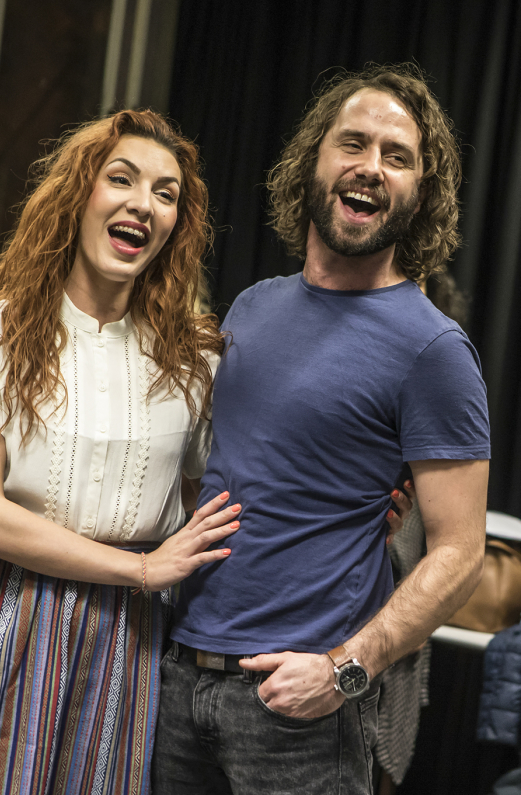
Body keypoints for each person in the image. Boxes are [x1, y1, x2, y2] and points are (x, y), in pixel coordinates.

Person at [152, 63, 491, 795]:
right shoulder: (249, 308)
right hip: (180, 680)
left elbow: (460, 551)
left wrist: (346, 669)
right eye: (354, 143)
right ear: (315, 160)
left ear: (420, 192)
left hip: (299, 708)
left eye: (397, 156)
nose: (371, 166)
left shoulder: (434, 349)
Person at [0, 110, 245, 795]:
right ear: (79, 194)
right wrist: (143, 568)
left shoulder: (195, 360)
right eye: (122, 178)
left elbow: (207, 492)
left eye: (166, 193)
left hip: (124, 640)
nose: (142, 203)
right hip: (5, 614)